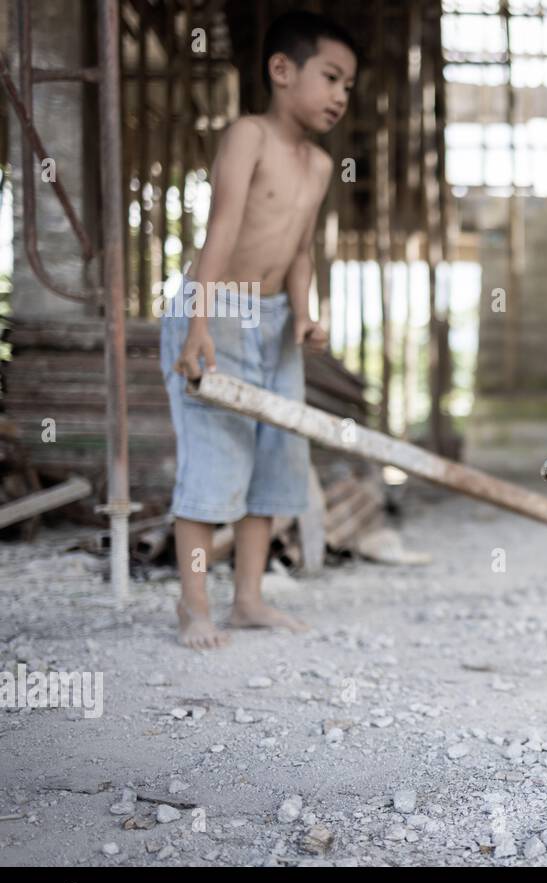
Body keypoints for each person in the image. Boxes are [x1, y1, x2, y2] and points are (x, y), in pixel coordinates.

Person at [160, 10, 358, 650]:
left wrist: (303, 314)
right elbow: (221, 230)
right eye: (330, 77)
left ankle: (247, 600)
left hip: (273, 321)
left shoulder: (321, 166)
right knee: (214, 466)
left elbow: (300, 252)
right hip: (219, 307)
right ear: (281, 70)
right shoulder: (248, 135)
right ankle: (194, 607)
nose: (339, 96)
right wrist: (198, 320)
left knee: (277, 462)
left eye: (348, 86)